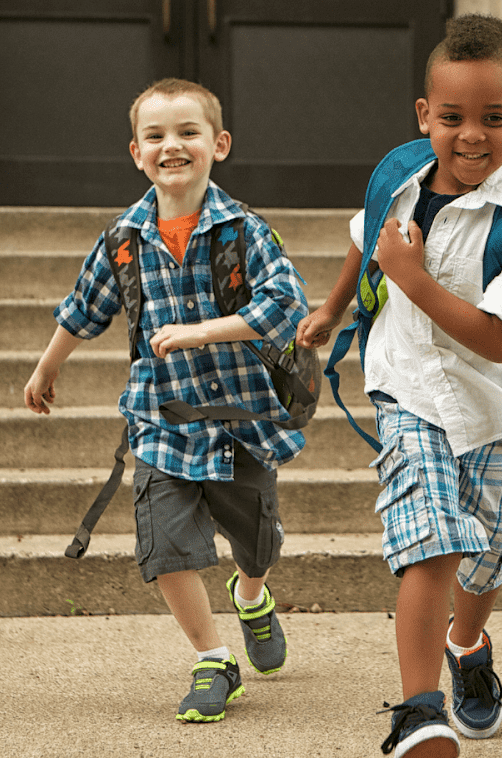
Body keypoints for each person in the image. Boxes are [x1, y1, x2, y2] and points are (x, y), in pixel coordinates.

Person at [297, 15, 502, 757]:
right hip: (406, 390)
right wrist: (332, 307)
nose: (471, 136)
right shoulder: (399, 181)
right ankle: (419, 712)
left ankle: (467, 646)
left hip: (492, 407)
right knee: (431, 541)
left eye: (493, 119)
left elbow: (499, 338)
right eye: (452, 118)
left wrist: (409, 280)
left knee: (489, 552)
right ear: (425, 117)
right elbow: (363, 237)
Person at [24, 78, 306, 723]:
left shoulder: (244, 230)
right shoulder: (123, 239)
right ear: (135, 152)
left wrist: (204, 331)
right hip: (160, 419)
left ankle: (252, 593)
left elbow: (286, 304)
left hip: (240, 418)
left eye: (187, 133)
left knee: (257, 540)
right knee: (165, 544)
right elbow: (83, 309)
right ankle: (213, 660)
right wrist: (46, 369)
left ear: (219, 145)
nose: (171, 146)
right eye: (155, 136)